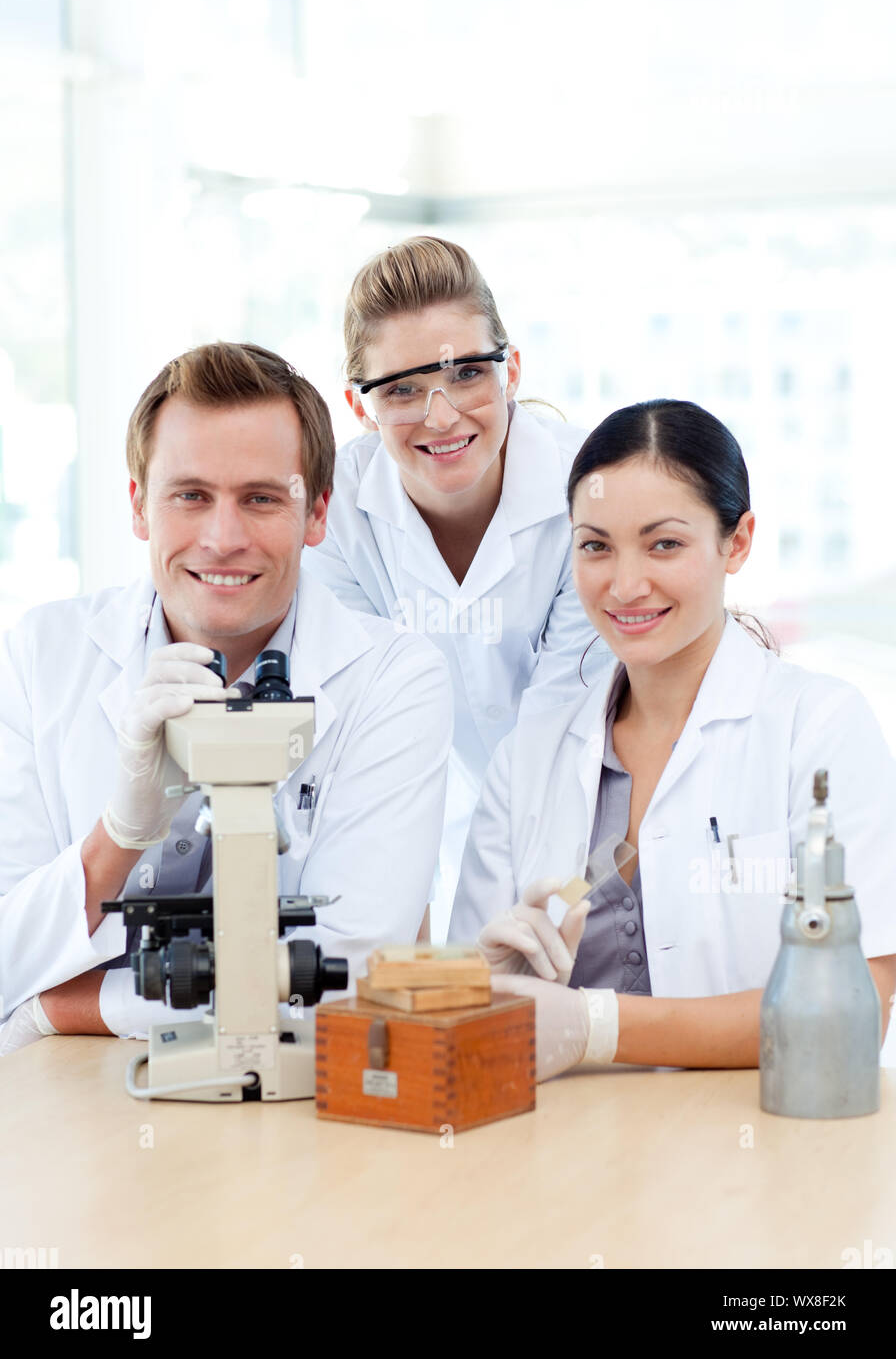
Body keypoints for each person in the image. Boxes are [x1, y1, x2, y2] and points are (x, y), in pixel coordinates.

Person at [0, 341, 452, 1054]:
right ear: (138, 506)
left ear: (317, 515)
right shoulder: (39, 657)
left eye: (262, 498)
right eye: (190, 496)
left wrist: (65, 1007)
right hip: (66, 1118)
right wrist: (119, 836)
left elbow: (356, 982)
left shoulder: (395, 679)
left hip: (292, 1116)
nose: (223, 538)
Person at [448, 399, 896, 1080]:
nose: (626, 585)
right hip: (561, 1160)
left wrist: (594, 1024)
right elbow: (463, 1025)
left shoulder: (820, 729)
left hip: (760, 1166)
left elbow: (849, 1011)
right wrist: (482, 988)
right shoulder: (529, 757)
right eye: (595, 545)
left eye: (665, 544)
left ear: (736, 542)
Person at [302, 236, 609, 923]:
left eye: (468, 373)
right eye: (403, 388)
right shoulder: (335, 516)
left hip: (579, 824)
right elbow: (366, 732)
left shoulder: (589, 491)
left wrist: (487, 945)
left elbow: (556, 731)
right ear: (359, 406)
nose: (441, 416)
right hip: (414, 832)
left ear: (512, 371)